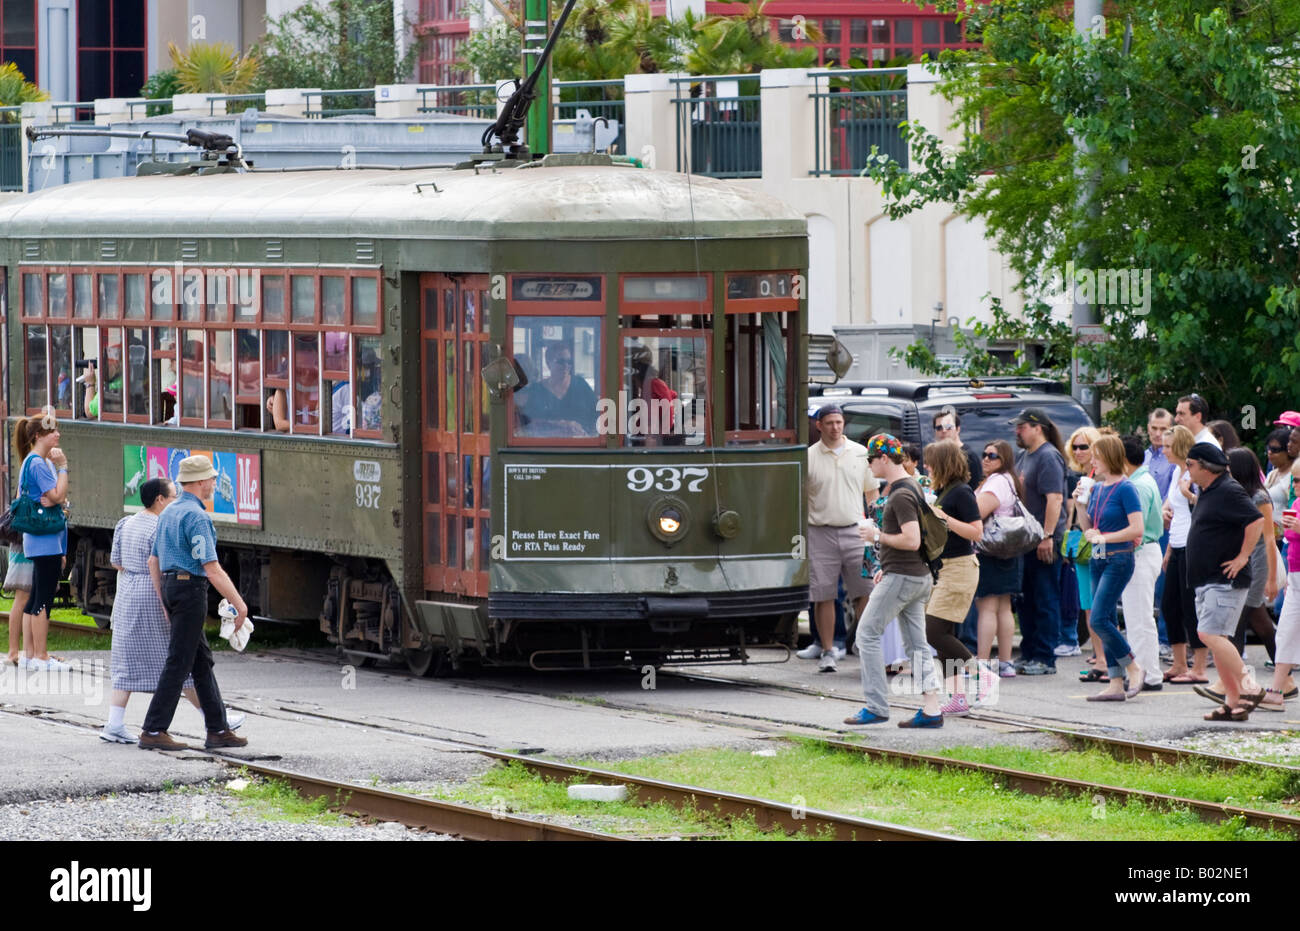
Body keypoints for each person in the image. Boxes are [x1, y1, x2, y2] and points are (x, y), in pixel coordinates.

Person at [100, 478, 245, 744]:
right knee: (180, 660)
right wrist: (163, 598)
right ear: (159, 499)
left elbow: (116, 562)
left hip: (128, 593)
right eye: (170, 495)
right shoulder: (169, 522)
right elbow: (161, 561)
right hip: (161, 592)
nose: (173, 499)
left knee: (136, 659)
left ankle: (216, 723)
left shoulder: (127, 523)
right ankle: (158, 728)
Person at [138, 455, 249, 751]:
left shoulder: (169, 512)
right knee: (179, 661)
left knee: (200, 661)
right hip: (191, 589)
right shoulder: (196, 517)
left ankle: (218, 729)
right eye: (212, 478)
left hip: (173, 586)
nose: (214, 482)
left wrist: (164, 598)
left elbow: (153, 559)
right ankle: (153, 729)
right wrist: (240, 604)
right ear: (200, 482)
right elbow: (212, 567)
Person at [843, 434, 942, 728]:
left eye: (871, 460)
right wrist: (886, 563)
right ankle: (932, 710)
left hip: (904, 576)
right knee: (917, 644)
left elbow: (911, 539)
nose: (869, 466)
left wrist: (876, 536)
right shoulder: (913, 485)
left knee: (866, 635)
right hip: (914, 575)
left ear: (884, 458)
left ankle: (876, 706)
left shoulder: (900, 494)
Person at [1183, 442, 1268, 721]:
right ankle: (1233, 702)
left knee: (1209, 635)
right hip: (1206, 579)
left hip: (1225, 579)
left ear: (1206, 467)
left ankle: (1250, 687)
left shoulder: (1229, 489)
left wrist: (1243, 556)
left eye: (1190, 464)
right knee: (1216, 638)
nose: (1187, 469)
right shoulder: (1208, 491)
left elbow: (1255, 521)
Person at [803, 404, 878, 672]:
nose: (835, 427)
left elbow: (872, 492)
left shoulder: (860, 453)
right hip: (819, 531)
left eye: (839, 422)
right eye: (830, 423)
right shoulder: (809, 456)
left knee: (865, 592)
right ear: (819, 425)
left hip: (855, 530)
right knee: (823, 595)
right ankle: (827, 650)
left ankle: (864, 644)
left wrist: (874, 526)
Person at [1075, 434, 1145, 701]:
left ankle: (1132, 665)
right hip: (1099, 556)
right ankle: (1116, 683)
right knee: (1107, 619)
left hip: (1118, 557)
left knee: (1099, 618)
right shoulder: (1098, 488)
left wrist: (1105, 538)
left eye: (1096, 455)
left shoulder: (1126, 488)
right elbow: (1089, 529)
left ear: (1109, 457)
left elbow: (1136, 528)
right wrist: (1081, 505)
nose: (1092, 460)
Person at [923, 440, 983, 716]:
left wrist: (943, 518)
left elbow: (976, 532)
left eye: (930, 462)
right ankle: (958, 697)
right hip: (944, 568)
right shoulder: (944, 489)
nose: (926, 466)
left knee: (934, 632)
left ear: (942, 464)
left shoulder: (962, 492)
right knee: (943, 635)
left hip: (959, 568)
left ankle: (980, 673)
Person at [1011, 407, 1067, 674]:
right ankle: (1030, 652)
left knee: (1045, 598)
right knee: (1027, 600)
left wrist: (1047, 535)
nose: (1017, 431)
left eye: (1021, 427)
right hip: (1025, 541)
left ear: (1037, 427)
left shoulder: (1048, 457)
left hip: (1043, 540)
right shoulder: (1024, 457)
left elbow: (1054, 499)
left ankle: (1046, 658)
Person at [1215, 449, 1278, 683]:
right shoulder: (1234, 494)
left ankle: (1232, 682)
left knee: (1238, 619)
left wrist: (1271, 578)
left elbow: (1270, 538)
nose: (1225, 469)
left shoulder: (1259, 498)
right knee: (1259, 621)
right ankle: (1285, 674)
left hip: (1258, 561)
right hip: (1243, 562)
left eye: (1229, 465)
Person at [14, 414, 70, 671]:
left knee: (36, 594)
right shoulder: (38, 463)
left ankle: (29, 654)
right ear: (38, 436)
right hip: (45, 539)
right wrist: (63, 467)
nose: (56, 435)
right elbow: (58, 495)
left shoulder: (31, 461)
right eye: (51, 431)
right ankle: (41, 655)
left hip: (39, 539)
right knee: (44, 597)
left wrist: (57, 499)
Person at [1159, 425, 1209, 684]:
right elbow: (1174, 513)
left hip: (1193, 546)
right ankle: (1179, 663)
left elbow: (1206, 507)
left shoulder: (1193, 474)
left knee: (1191, 606)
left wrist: (1188, 494)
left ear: (1179, 447)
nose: (1163, 450)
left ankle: (1199, 666)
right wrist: (1168, 548)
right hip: (1177, 544)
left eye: (1167, 446)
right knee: (1170, 604)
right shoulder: (1176, 472)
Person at [973, 439, 1023, 681]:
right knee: (1004, 606)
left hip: (990, 549)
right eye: (984, 454)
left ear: (1004, 460)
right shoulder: (1009, 480)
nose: (985, 459)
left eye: (992, 456)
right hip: (1008, 549)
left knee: (987, 606)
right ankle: (1005, 662)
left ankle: (982, 663)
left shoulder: (996, 483)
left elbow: (977, 512)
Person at [1119, 435, 1166, 691]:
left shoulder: (1138, 486)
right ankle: (1147, 672)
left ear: (1123, 459)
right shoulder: (1140, 480)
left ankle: (1147, 675)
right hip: (1146, 550)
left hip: (1141, 551)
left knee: (1139, 618)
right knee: (1139, 617)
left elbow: (1134, 529)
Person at [1061, 426, 1101, 661]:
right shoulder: (1080, 476)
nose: (1078, 451)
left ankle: (1102, 656)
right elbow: (1071, 514)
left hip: (1097, 543)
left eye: (1083, 447)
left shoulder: (1100, 477)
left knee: (1095, 604)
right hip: (1080, 541)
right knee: (1086, 602)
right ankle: (1098, 655)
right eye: (1074, 447)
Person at [514, 343, 599, 437]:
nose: (566, 365)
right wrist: (561, 424)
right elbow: (529, 422)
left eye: (569, 361)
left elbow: (596, 415)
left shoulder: (580, 384)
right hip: (547, 445)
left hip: (581, 444)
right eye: (561, 361)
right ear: (548, 362)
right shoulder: (536, 390)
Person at [932, 406, 983, 490]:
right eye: (939, 428)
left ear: (958, 429)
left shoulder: (968, 456)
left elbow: (974, 490)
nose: (943, 431)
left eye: (948, 427)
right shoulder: (938, 455)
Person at [4, 541, 32, 665]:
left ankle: (24, 651)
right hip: (25, 547)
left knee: (25, 598)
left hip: (26, 546)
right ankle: (13, 652)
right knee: (23, 597)